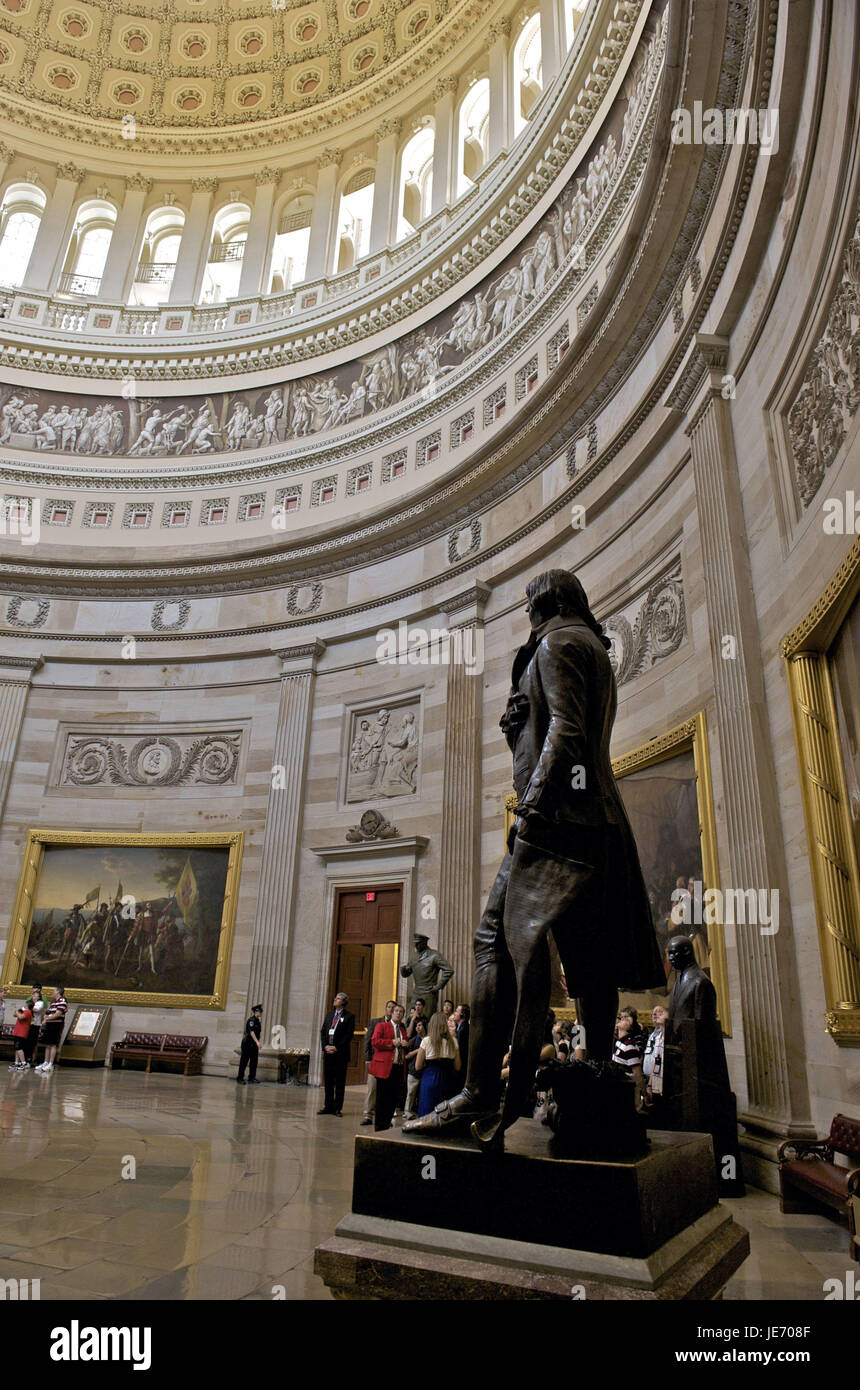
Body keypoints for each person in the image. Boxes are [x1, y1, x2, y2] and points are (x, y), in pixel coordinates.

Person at [404, 569, 664, 1149]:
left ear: (544, 603)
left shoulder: (554, 642)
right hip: (597, 820)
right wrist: (517, 733)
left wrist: (531, 811)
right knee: (588, 960)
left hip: (558, 826)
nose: (526, 616)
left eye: (529, 605)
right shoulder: (592, 646)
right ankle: (597, 1083)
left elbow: (568, 731)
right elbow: (561, 729)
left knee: (491, 940)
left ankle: (479, 1092)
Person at [369, 1003, 408, 1131]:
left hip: (398, 1067)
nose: (398, 1013)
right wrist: (391, 1042)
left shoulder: (403, 1030)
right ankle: (379, 1126)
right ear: (391, 1013)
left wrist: (404, 1044)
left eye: (401, 1012)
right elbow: (374, 1041)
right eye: (396, 1011)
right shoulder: (382, 1026)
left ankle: (386, 1124)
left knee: (393, 1099)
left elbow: (404, 1047)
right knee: (382, 1099)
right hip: (384, 1068)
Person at [415, 1009, 461, 1116]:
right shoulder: (453, 1041)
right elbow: (458, 1066)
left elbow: (417, 1066)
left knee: (427, 1112)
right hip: (447, 1079)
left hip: (429, 1078)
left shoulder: (426, 1041)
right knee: (444, 1113)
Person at [399, 934, 454, 1017]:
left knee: (426, 1018)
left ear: (424, 943)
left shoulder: (434, 955)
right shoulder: (415, 958)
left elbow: (449, 970)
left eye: (418, 943)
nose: (416, 946)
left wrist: (438, 986)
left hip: (428, 993)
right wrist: (403, 968)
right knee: (411, 1018)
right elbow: (405, 974)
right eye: (415, 943)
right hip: (417, 992)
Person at [319, 992, 354, 1116]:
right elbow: (323, 1032)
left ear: (343, 1002)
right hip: (328, 1053)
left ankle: (337, 1108)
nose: (335, 1000)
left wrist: (336, 1047)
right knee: (328, 1081)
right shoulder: (329, 1015)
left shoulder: (349, 1016)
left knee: (339, 1082)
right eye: (335, 998)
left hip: (340, 1054)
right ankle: (328, 1106)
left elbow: (348, 1035)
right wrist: (325, 1046)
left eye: (338, 998)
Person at [360, 999, 395, 1124]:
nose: (391, 1009)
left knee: (385, 1090)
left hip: (389, 1062)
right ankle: (368, 1115)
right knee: (372, 1088)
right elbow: (368, 1041)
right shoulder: (376, 1022)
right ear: (386, 1009)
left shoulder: (397, 1025)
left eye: (393, 1007)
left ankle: (384, 1116)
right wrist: (367, 1058)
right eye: (389, 1007)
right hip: (375, 1060)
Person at [642, 1004, 668, 1119]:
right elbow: (655, 1062)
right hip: (654, 1081)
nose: (655, 1015)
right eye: (654, 1013)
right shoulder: (656, 1036)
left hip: (665, 1083)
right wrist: (649, 1085)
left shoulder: (670, 1037)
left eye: (660, 1013)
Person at [34, 986, 67, 1073]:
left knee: (53, 1044)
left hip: (56, 1024)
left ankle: (50, 1063)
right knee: (47, 1044)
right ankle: (46, 1062)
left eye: (54, 991)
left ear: (58, 992)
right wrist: (46, 1016)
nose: (53, 992)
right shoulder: (54, 1002)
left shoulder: (62, 1001)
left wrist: (47, 1019)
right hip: (50, 1024)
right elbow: (49, 1012)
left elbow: (58, 1014)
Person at [403, 1016, 427, 1120]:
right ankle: (407, 1111)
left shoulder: (428, 1039)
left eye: (420, 1025)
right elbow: (406, 1056)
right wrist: (418, 1051)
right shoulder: (413, 1040)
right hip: (413, 1071)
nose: (418, 1027)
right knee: (411, 1093)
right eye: (416, 1025)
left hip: (425, 1071)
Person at [237, 1004, 263, 1085]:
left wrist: (257, 1042)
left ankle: (251, 1077)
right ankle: (240, 1078)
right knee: (244, 1061)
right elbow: (251, 1032)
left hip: (254, 1044)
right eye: (260, 1012)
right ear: (256, 1012)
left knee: (254, 1061)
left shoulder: (258, 1021)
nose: (261, 1013)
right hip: (247, 1044)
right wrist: (257, 1042)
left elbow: (258, 1033)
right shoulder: (251, 1020)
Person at [23, 984, 44, 1067]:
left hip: (35, 1025)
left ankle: (31, 1059)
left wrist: (29, 1007)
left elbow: (36, 1009)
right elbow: (23, 1009)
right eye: (33, 995)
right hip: (28, 1024)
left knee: (32, 1043)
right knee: (26, 1042)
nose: (34, 996)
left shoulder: (40, 1003)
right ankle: (24, 1059)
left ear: (38, 997)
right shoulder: (30, 1002)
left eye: (36, 995)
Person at [10, 999, 32, 1071]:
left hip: (22, 1033)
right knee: (16, 1048)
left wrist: (17, 1011)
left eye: (25, 1004)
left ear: (27, 1005)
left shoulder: (28, 1012)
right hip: (17, 1032)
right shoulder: (23, 1011)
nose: (24, 1005)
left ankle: (23, 1063)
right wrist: (17, 1012)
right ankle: (16, 1062)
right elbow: (14, 1015)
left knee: (19, 1048)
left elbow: (20, 1017)